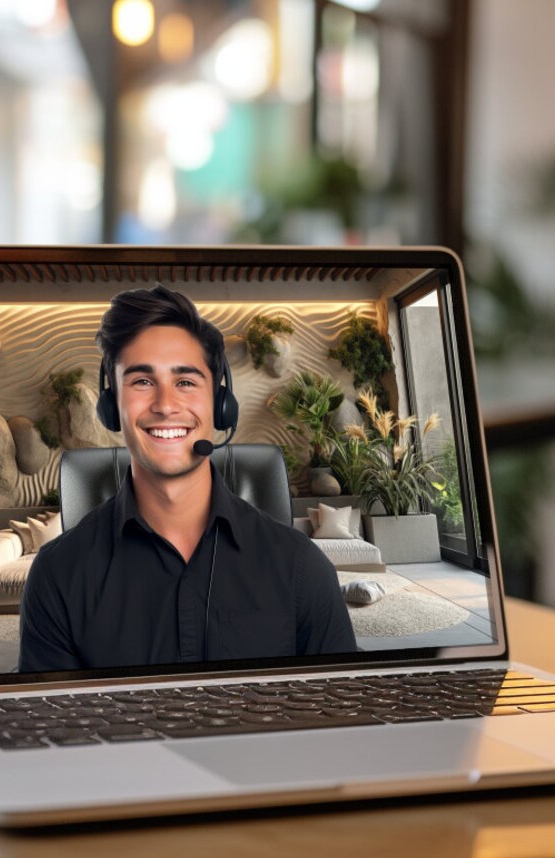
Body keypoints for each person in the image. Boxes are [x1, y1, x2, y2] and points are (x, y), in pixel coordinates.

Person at [18, 284, 357, 673]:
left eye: (185, 382)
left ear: (220, 405)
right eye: (142, 381)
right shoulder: (58, 576)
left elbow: (339, 723)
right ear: (112, 407)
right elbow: (57, 730)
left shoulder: (302, 568)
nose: (164, 405)